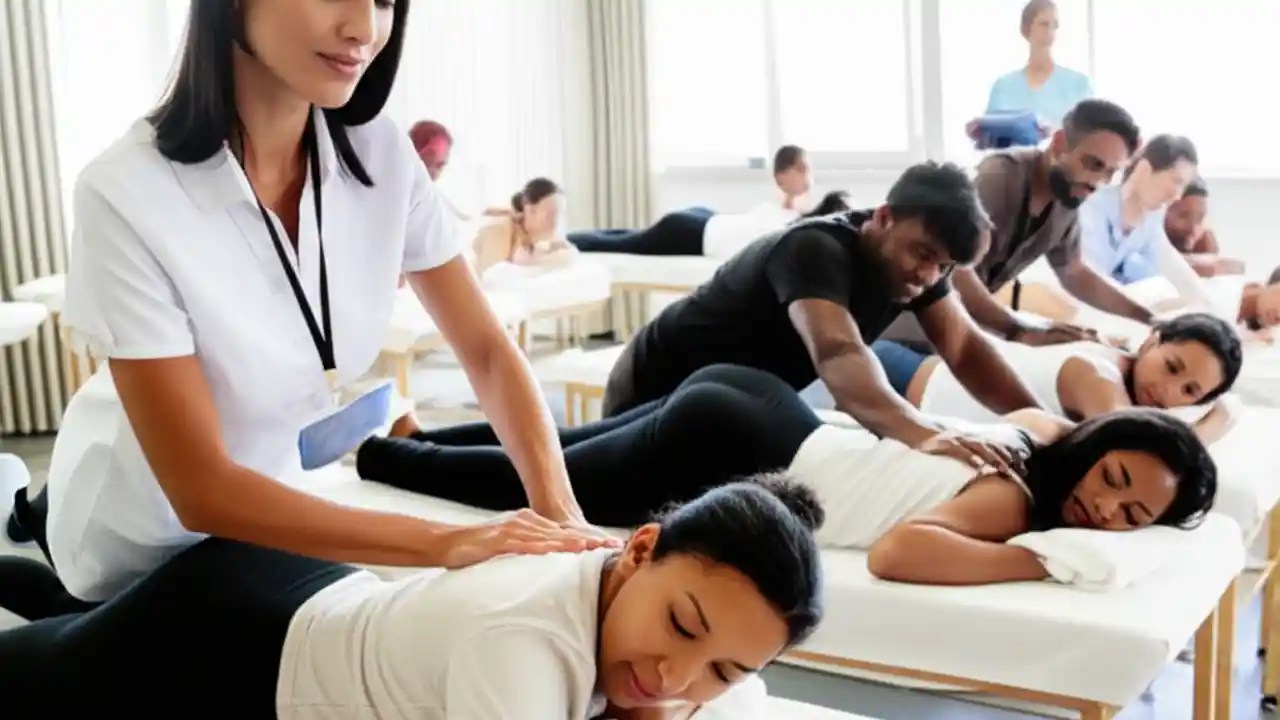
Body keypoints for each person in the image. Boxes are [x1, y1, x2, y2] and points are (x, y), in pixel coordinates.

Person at [19, 0, 613, 607]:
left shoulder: (382, 156)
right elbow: (201, 490)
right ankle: (29, 525)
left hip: (268, 507)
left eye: (384, 0)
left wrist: (563, 515)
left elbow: (486, 351)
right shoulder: (125, 192)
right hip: (136, 537)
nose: (364, 28)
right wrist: (449, 541)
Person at [0, 478, 823, 719]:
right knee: (37, 668)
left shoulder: (626, 578)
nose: (680, 678)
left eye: (720, 670)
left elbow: (729, 682)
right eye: (681, 628)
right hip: (229, 644)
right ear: (639, 548)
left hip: (307, 589)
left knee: (74, 624)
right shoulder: (518, 653)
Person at [355, 364, 1216, 587]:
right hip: (735, 447)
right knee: (545, 478)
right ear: (1096, 448)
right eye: (1112, 478)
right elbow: (900, 553)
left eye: (1131, 513)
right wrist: (1043, 556)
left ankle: (411, 430)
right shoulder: (1013, 502)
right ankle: (383, 453)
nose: (1105, 509)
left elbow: (1047, 427)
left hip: (763, 408)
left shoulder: (1030, 440)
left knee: (565, 443)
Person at [601, 161, 1061, 470]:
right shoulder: (815, 248)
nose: (928, 275)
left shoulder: (921, 269)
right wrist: (919, 432)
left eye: (943, 266)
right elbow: (839, 350)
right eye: (922, 253)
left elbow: (964, 348)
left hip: (721, 399)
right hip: (654, 383)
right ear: (884, 217)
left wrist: (1044, 424)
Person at [883, 99, 1147, 364]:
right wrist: (1017, 329)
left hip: (954, 328)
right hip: (904, 328)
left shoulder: (1067, 200)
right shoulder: (1001, 177)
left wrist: (1146, 316)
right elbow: (956, 268)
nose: (1098, 182)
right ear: (1058, 144)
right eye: (1093, 164)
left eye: (1111, 173)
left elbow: (1075, 272)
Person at [877, 312, 1244, 444]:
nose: (1168, 390)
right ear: (1152, 341)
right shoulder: (1098, 376)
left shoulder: (1125, 376)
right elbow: (1139, 447)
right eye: (1172, 366)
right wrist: (1216, 423)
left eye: (1190, 391)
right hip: (895, 378)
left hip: (912, 383)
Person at [565, 146, 823, 257]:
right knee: (622, 243)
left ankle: (567, 238)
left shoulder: (786, 215)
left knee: (628, 237)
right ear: (782, 176)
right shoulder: (786, 220)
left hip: (703, 219)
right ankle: (567, 240)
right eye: (802, 169)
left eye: (808, 169)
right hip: (692, 231)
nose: (808, 176)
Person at [1078, 134, 1213, 313]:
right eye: (1175, 181)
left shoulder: (1151, 218)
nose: (1177, 195)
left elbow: (1171, 266)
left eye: (1183, 187)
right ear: (1144, 169)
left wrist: (1208, 310)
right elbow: (1088, 279)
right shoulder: (1091, 209)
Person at [983, 0, 1092, 128]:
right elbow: (988, 136)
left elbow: (1091, 136)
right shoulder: (1003, 87)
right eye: (1044, 24)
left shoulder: (1078, 84)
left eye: (1054, 25)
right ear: (1026, 29)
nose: (1050, 30)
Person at [408, 119, 511, 223]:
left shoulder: (438, 188)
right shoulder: (418, 192)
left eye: (445, 158)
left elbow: (467, 211)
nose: (444, 164)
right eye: (438, 163)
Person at [472, 177, 577, 274]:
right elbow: (487, 278)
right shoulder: (501, 229)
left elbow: (570, 255)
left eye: (560, 215)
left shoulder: (537, 238)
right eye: (550, 215)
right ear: (530, 210)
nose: (556, 223)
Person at [1164, 177, 1246, 278]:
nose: (1192, 228)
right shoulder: (1147, 239)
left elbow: (1240, 267)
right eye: (1183, 216)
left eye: (1199, 218)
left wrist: (1210, 258)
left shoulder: (1203, 242)